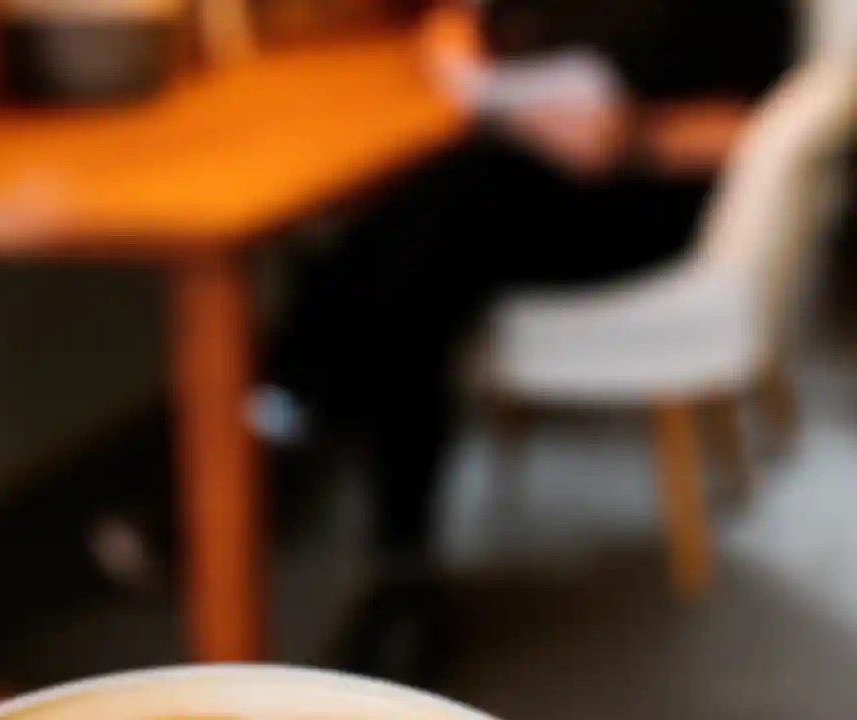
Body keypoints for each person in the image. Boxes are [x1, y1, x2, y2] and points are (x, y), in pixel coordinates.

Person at [260, 0, 797, 680]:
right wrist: (478, 73)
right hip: (518, 162)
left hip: (646, 195)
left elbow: (770, 119)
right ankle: (338, 475)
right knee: (413, 238)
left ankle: (294, 425)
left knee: (426, 243)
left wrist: (632, 135)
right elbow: (460, 18)